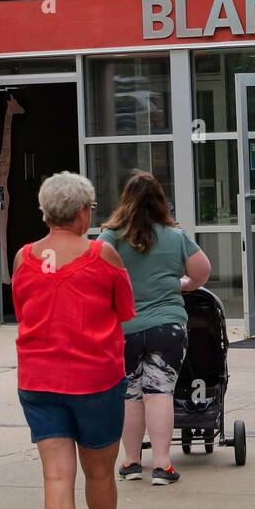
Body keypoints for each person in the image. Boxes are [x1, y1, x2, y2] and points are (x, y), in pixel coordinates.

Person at [12, 171, 137, 509]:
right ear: (83, 213)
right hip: (95, 380)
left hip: (38, 379)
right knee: (100, 472)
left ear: (47, 212)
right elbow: (125, 312)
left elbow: (23, 310)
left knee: (55, 477)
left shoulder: (23, 256)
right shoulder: (104, 257)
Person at [99, 172, 211, 485]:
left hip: (125, 328)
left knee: (131, 394)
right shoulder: (176, 236)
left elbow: (96, 271)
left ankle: (131, 462)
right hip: (168, 326)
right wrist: (185, 284)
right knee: (159, 391)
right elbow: (203, 271)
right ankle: (163, 465)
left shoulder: (111, 236)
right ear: (161, 201)